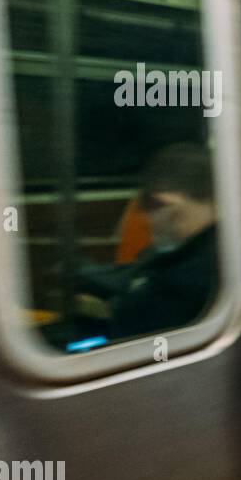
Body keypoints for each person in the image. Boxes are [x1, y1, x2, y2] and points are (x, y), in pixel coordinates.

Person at [76, 143, 218, 341]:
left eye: (153, 208)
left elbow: (139, 327)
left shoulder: (193, 273)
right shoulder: (186, 250)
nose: (148, 222)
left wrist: (109, 311)